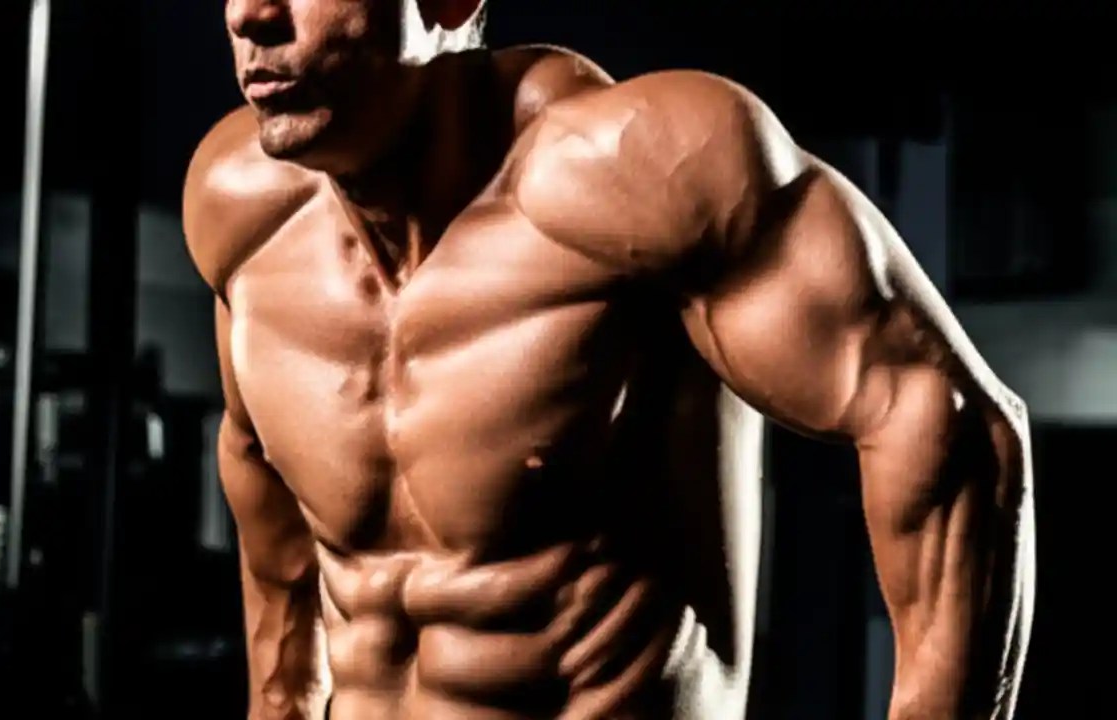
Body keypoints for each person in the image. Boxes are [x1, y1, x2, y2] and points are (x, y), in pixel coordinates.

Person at [182, 1, 1036, 718]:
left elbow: (943, 419)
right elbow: (270, 517)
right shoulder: (241, 215)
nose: (248, 13)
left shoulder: (636, 173)